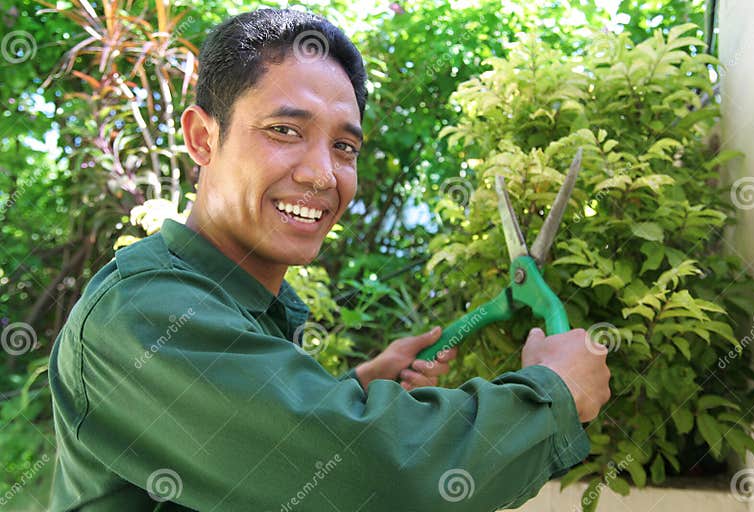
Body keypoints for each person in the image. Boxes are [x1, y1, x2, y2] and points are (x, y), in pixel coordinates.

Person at [48, 8, 611, 511]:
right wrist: (555, 392)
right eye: (284, 131)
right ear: (201, 137)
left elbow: (269, 456)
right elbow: (379, 478)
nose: (322, 174)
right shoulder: (142, 313)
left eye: (344, 147)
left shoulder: (236, 304)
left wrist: (358, 388)